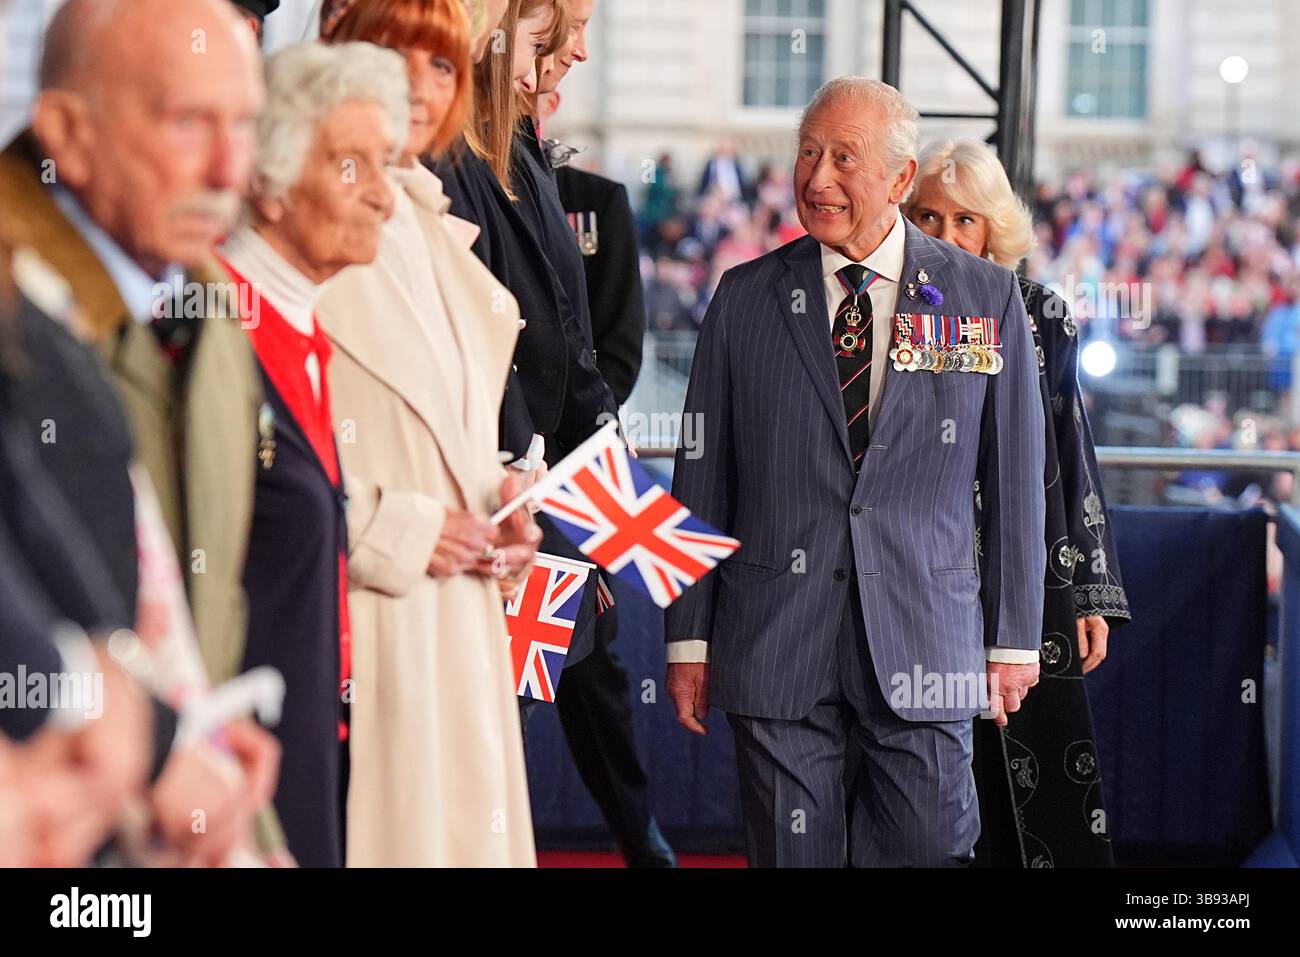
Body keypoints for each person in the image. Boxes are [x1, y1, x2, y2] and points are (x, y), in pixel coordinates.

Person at [666, 77, 1046, 867]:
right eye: (808, 153)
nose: (817, 177)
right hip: (774, 639)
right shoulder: (742, 298)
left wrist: (1014, 637)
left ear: (901, 178)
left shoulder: (984, 296)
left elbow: (1015, 479)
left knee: (928, 846)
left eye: (844, 157)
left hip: (927, 635)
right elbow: (701, 477)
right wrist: (688, 638)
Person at [0, 0, 282, 858]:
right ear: (68, 135)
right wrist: (155, 740)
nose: (230, 169)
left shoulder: (193, 294)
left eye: (246, 124)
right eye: (187, 121)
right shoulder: (23, 308)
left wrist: (184, 727)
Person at [320, 0, 541, 868]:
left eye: (442, 64)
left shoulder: (435, 232)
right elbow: (240, 467)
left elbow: (444, 438)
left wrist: (500, 505)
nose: (419, 84)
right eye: (393, 53)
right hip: (356, 630)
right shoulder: (279, 224)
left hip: (457, 623)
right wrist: (397, 527)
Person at [904, 139, 1130, 867]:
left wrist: (1089, 590)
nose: (944, 235)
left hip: (1031, 574)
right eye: (927, 216)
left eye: (964, 219)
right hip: (914, 575)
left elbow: (1071, 447)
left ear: (992, 228)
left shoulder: (1041, 314)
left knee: (1037, 773)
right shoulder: (881, 311)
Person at [216, 41, 409, 868]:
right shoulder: (214, 329)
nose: (383, 196)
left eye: (386, 165)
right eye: (351, 165)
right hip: (233, 772)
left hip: (305, 741)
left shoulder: (299, 329)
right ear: (270, 181)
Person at [532, 10, 675, 867]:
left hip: (581, 465)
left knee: (594, 667)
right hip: (507, 462)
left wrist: (563, 445)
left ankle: (635, 829)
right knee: (510, 663)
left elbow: (616, 350)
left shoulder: (599, 202)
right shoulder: (480, 189)